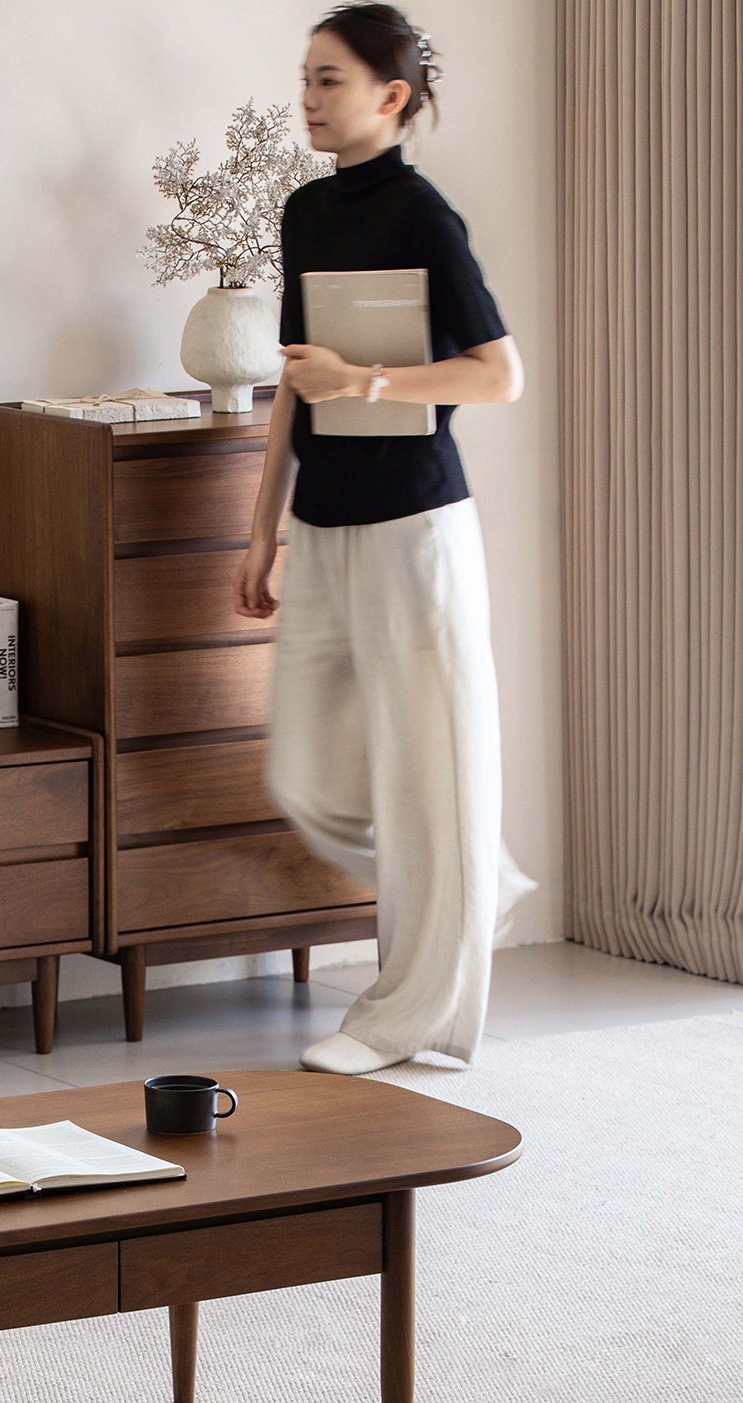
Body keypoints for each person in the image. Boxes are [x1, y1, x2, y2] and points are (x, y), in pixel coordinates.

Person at [235, 2, 537, 1076]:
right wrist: (261, 530)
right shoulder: (306, 212)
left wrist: (365, 381)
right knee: (307, 776)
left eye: (330, 79)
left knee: (426, 782)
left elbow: (499, 375)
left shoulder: (422, 216)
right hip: (324, 525)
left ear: (390, 96)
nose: (309, 98)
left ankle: (407, 1017)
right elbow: (291, 385)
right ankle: (470, 873)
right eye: (306, 78)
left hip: (417, 523)